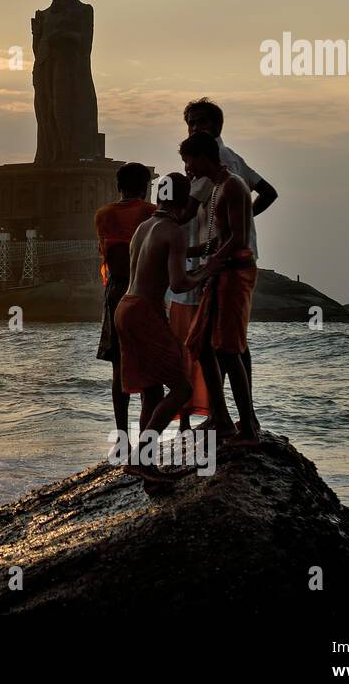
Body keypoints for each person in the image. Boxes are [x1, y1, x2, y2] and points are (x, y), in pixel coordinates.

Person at [114, 173, 219, 481]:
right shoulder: (173, 230)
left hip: (125, 307)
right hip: (145, 311)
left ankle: (143, 463)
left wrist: (193, 253)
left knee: (151, 390)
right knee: (182, 387)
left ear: (159, 196)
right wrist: (206, 269)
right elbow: (178, 282)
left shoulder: (144, 227)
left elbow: (153, 255)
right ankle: (141, 458)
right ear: (185, 201)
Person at [182, 98, 278, 400]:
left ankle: (231, 416)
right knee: (232, 341)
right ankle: (231, 414)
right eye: (191, 123)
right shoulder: (231, 157)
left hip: (225, 260)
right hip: (230, 253)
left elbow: (186, 212)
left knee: (218, 342)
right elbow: (268, 192)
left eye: (201, 122)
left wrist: (153, 226)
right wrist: (241, 219)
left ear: (216, 125)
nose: (196, 127)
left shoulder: (215, 159)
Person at [179, 132, 260, 446]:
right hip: (220, 272)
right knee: (201, 345)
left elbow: (238, 238)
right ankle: (222, 420)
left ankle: (249, 428)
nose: (187, 169)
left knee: (229, 350)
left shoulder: (234, 186)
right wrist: (189, 253)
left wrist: (212, 264)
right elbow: (219, 237)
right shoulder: (214, 190)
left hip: (235, 273)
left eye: (188, 161)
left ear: (201, 157)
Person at [94, 162, 156, 433]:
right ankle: (146, 438)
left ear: (118, 186)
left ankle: (121, 436)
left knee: (119, 367)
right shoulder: (151, 213)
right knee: (147, 367)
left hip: (115, 290)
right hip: (144, 289)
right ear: (146, 187)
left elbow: (107, 253)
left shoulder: (103, 214)